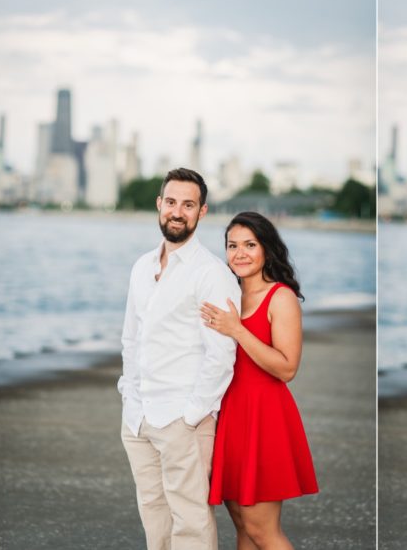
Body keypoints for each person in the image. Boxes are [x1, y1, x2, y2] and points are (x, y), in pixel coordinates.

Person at [118, 168, 242, 549]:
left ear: (202, 212)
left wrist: (191, 416)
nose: (178, 211)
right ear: (159, 205)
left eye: (188, 205)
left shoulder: (211, 274)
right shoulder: (142, 267)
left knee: (190, 523)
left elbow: (221, 354)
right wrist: (129, 397)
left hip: (182, 420)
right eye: (171, 202)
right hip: (138, 417)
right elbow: (131, 338)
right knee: (155, 519)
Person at [201, 211, 318, 550]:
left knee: (262, 529)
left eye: (249, 245)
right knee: (242, 527)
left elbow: (287, 368)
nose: (239, 253)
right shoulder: (228, 294)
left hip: (263, 418)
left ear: (266, 248)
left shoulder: (280, 297)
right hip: (230, 417)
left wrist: (237, 329)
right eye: (232, 245)